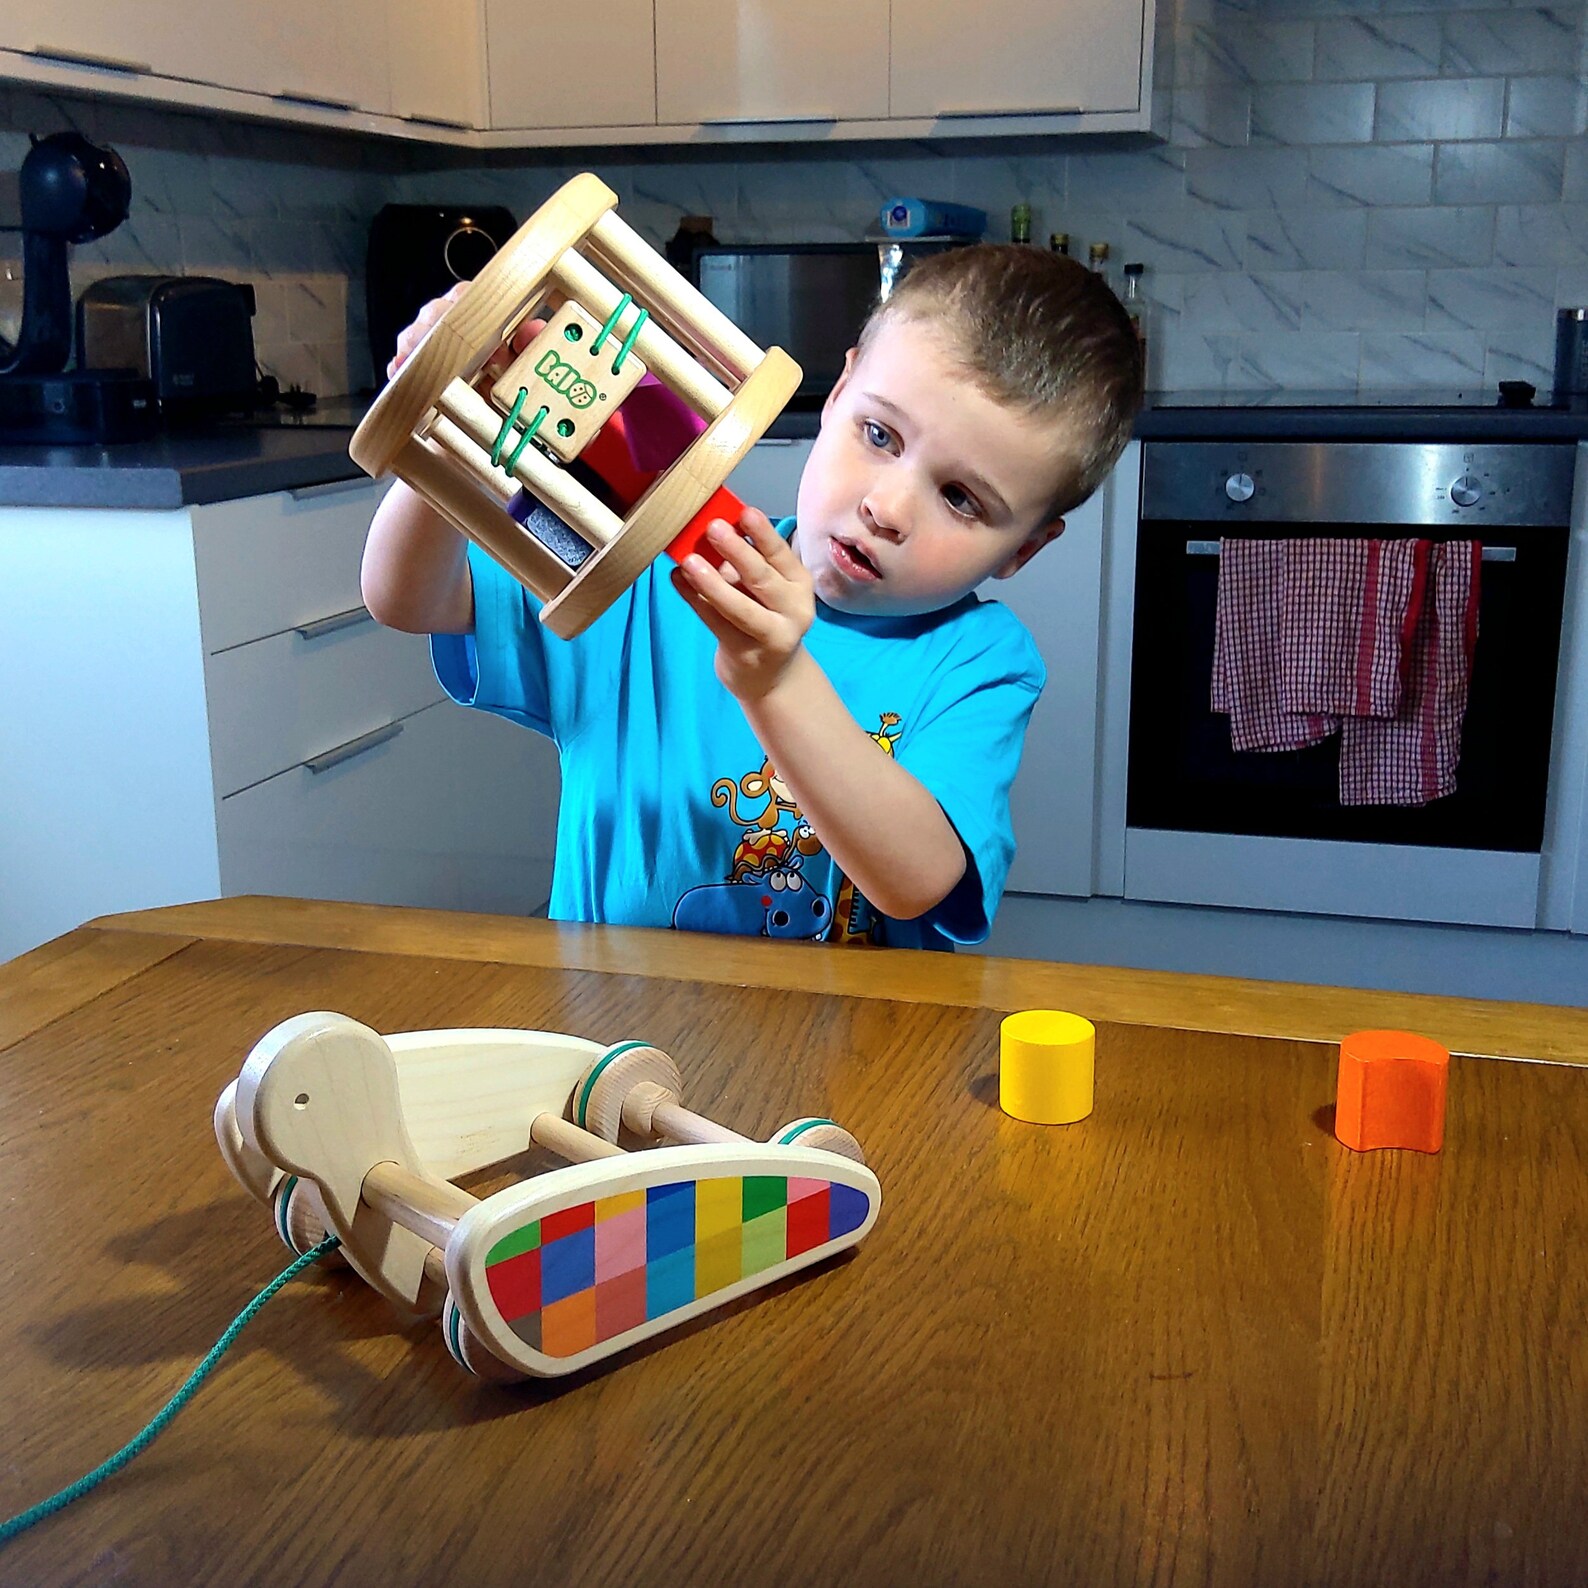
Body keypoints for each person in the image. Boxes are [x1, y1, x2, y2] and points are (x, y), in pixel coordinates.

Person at [361, 243, 1142, 949]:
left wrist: (777, 679)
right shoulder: (641, 555)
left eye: (962, 499)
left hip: (846, 1079)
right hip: (611, 1045)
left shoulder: (980, 663)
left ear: (1026, 550)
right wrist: (452, 421)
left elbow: (915, 879)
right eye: (880, 436)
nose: (888, 509)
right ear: (837, 395)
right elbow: (408, 597)